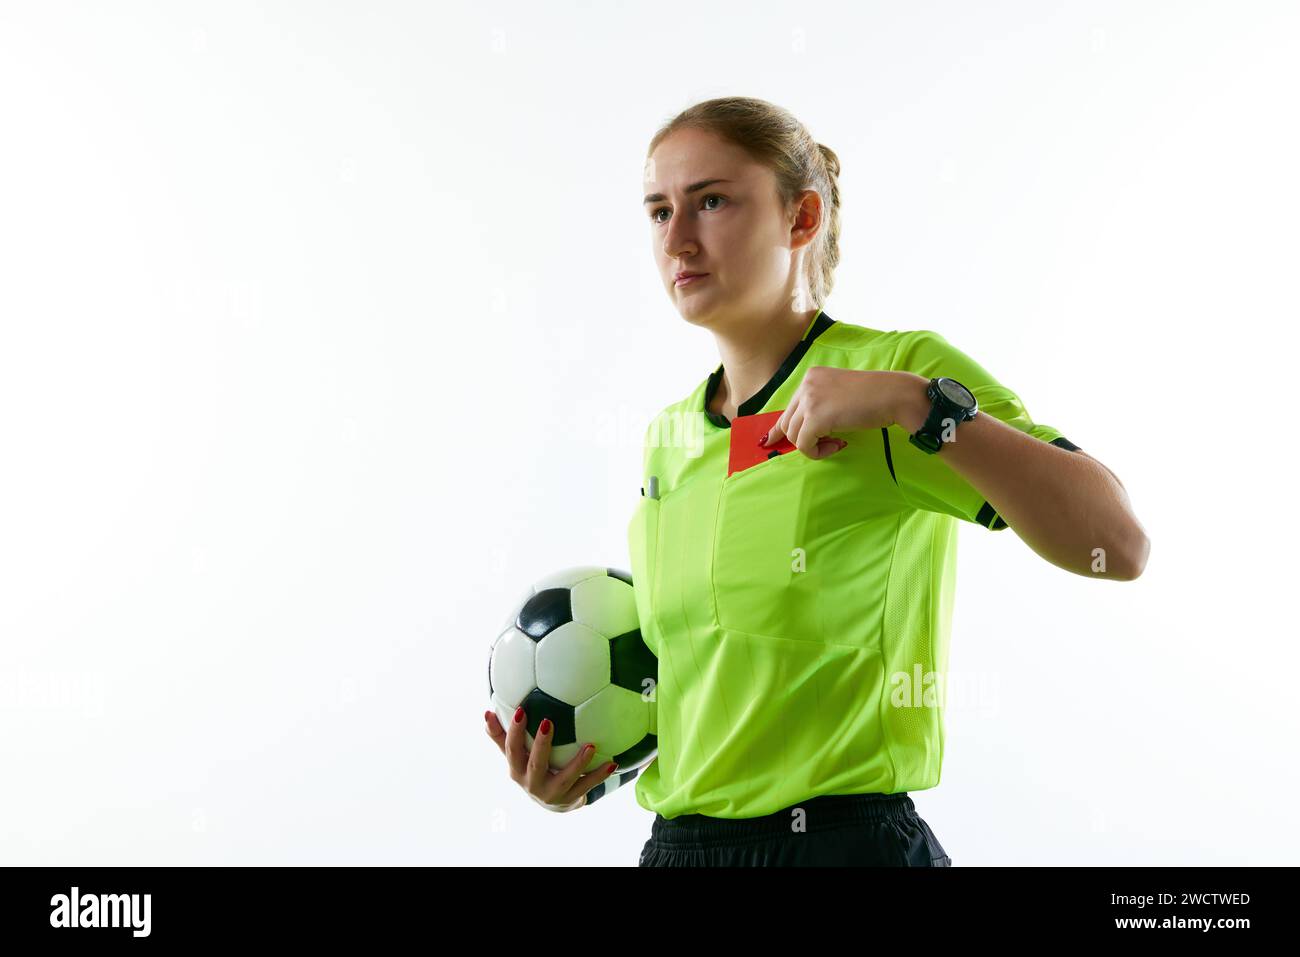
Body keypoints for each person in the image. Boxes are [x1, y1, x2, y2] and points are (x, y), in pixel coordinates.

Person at [487, 96, 1150, 864]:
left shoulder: (897, 375)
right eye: (658, 210)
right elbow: (723, 682)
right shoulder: (668, 438)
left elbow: (1118, 542)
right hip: (680, 849)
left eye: (710, 201)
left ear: (801, 219)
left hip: (845, 846)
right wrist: (587, 767)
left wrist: (917, 408)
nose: (678, 238)